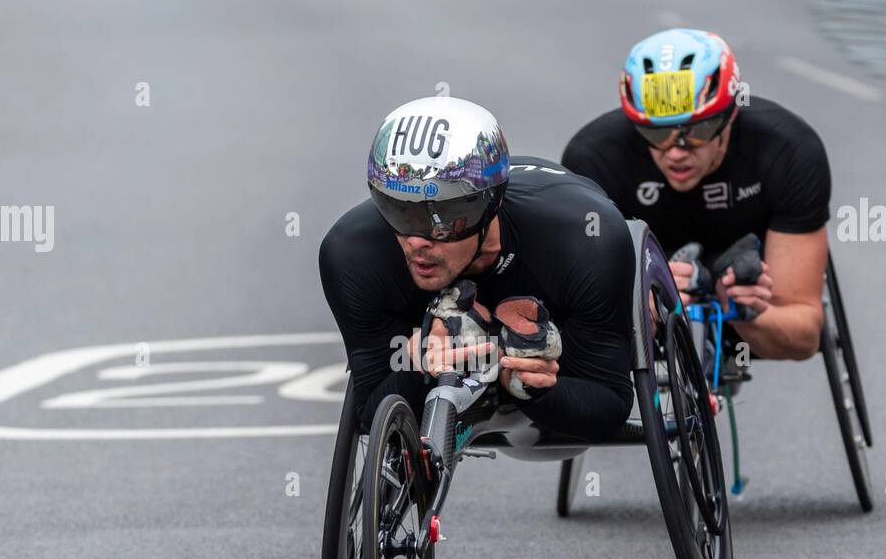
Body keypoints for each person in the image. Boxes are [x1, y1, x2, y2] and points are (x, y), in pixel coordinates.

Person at [319, 96, 635, 444]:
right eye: (397, 211)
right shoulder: (352, 252)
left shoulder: (586, 239)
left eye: (442, 220)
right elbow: (368, 415)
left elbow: (608, 409)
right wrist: (416, 367)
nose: (416, 241)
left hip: (562, 329)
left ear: (490, 206)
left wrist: (534, 389)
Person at [562, 28, 830, 361]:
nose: (675, 152)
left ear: (730, 115)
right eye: (655, 132)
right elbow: (581, 316)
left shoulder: (788, 150)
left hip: (746, 268)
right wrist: (636, 303)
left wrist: (746, 310)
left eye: (697, 131)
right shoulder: (594, 156)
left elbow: (804, 336)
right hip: (652, 269)